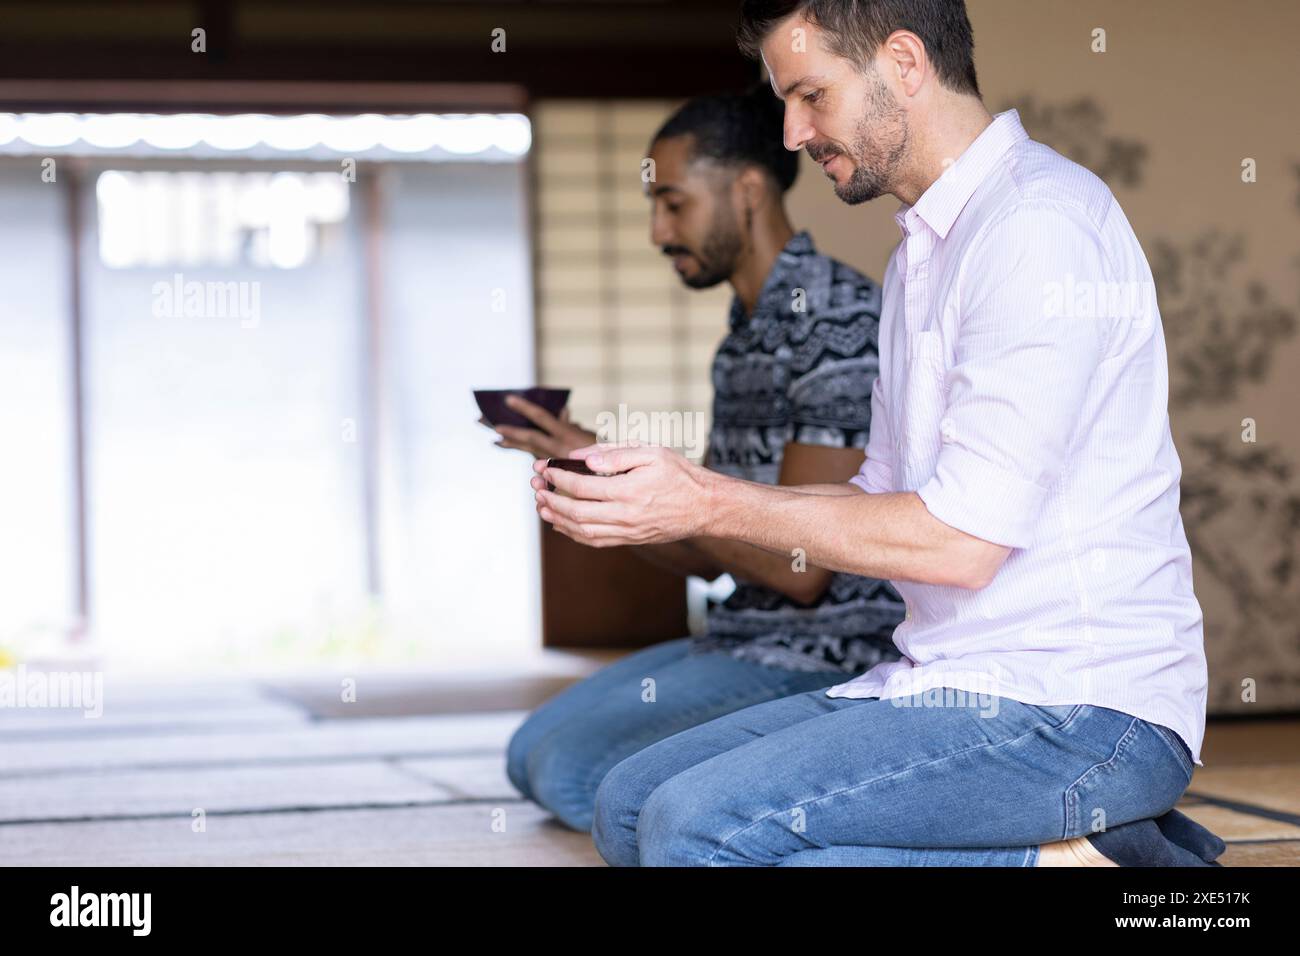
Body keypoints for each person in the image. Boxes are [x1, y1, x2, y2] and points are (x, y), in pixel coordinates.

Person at [533, 0, 1226, 866]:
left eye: (811, 95)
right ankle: (1064, 852)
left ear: (903, 62)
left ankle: (1078, 855)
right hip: (939, 683)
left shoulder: (1037, 228)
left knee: (695, 831)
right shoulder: (923, 252)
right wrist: (672, 498)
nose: (791, 132)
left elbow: (959, 544)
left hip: (1079, 710)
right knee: (630, 804)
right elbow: (877, 500)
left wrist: (706, 497)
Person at [491, 86, 906, 832]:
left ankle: (818, 796)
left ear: (747, 191)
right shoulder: (743, 336)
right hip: (744, 636)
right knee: (528, 753)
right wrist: (594, 476)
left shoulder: (835, 319)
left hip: (827, 656)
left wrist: (656, 487)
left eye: (674, 204)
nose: (657, 230)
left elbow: (798, 567)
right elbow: (715, 555)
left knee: (572, 768)